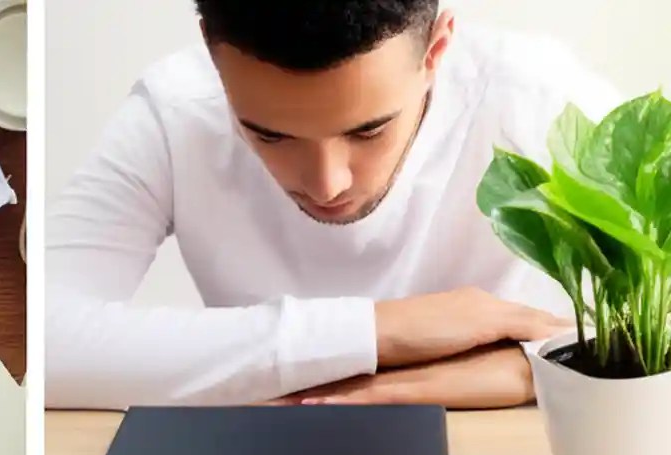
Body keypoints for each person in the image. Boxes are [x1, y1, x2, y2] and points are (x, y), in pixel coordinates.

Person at [45, 0, 622, 410]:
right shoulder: (174, 111)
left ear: (436, 50)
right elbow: (49, 340)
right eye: (269, 134)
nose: (326, 184)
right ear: (211, 54)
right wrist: (380, 333)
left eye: (369, 131)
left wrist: (536, 370)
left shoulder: (538, 100)